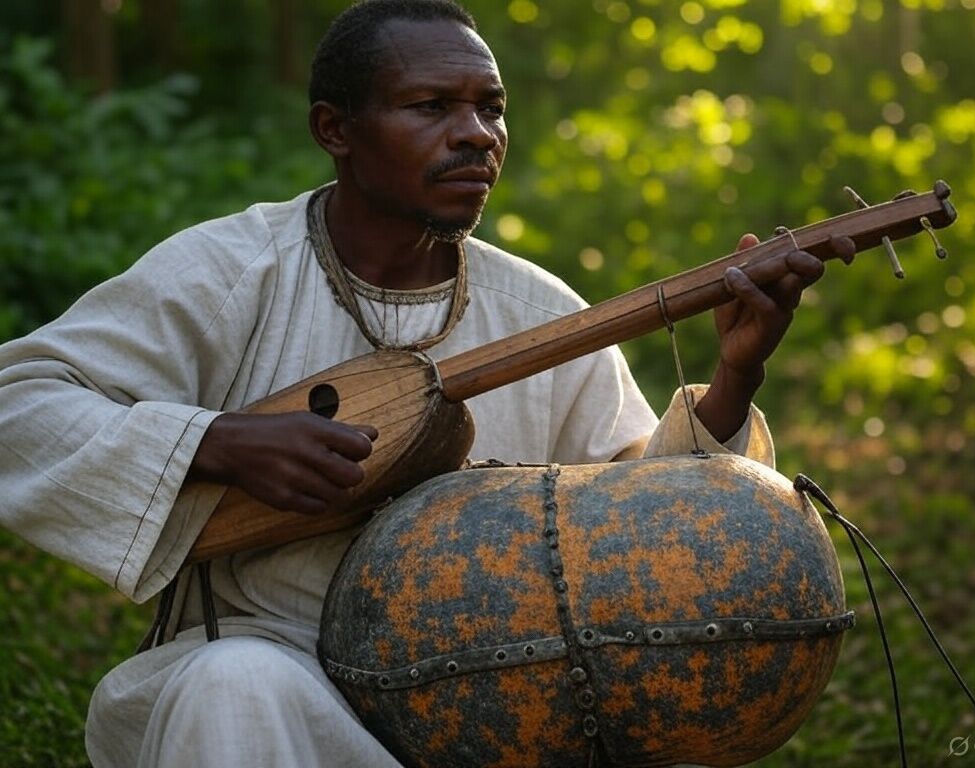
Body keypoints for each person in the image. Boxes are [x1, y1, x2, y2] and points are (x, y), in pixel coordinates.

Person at [0, 1, 833, 765]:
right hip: (277, 673)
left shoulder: (539, 309)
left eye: (491, 107)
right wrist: (214, 444)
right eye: (432, 106)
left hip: (501, 698)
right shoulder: (228, 274)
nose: (476, 134)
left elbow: (644, 515)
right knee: (235, 690)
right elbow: (21, 401)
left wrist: (736, 371)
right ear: (336, 129)